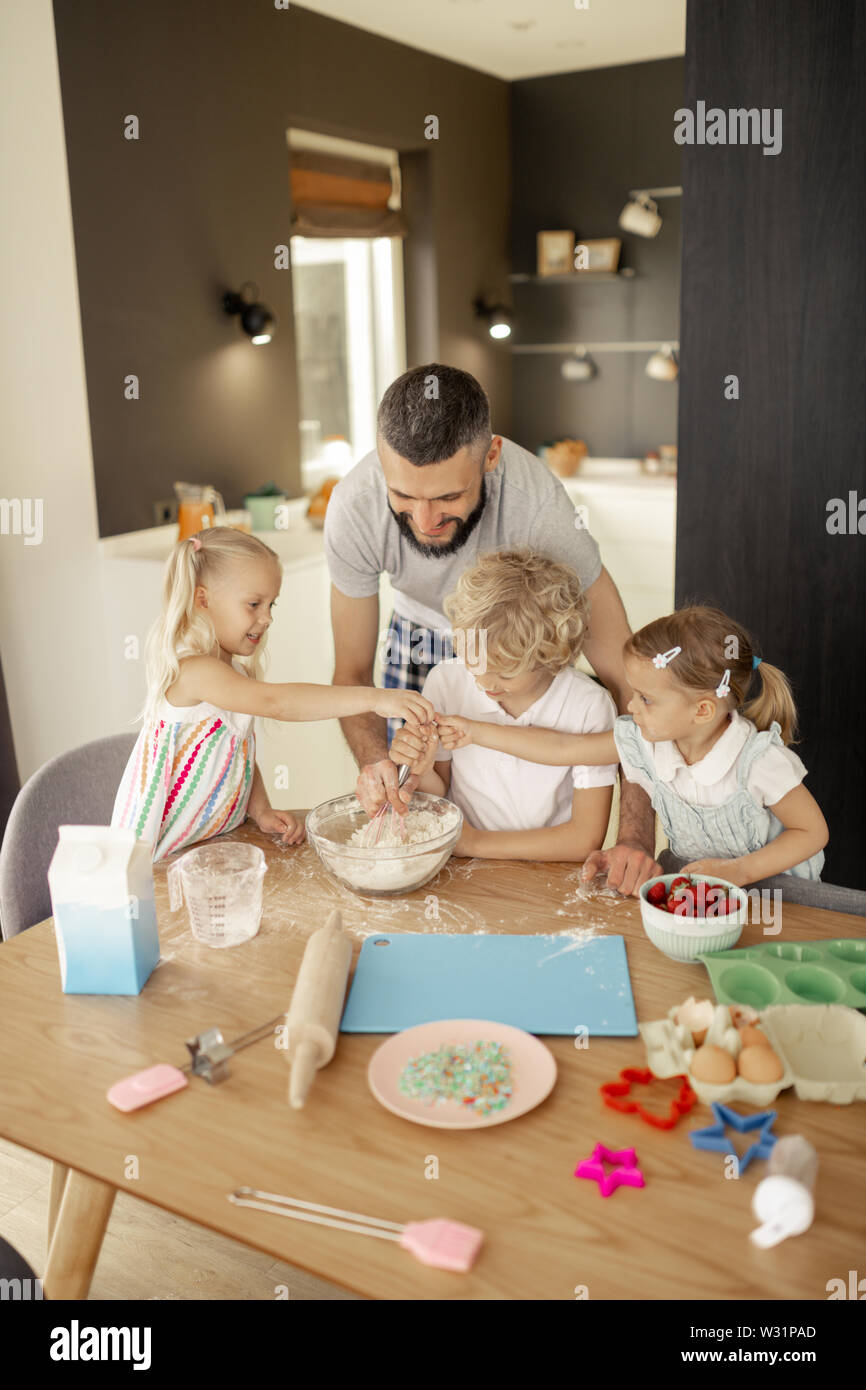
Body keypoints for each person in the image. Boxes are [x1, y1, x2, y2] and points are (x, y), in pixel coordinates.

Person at [324, 362, 659, 893]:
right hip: (415, 631)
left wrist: (636, 838)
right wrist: (375, 761)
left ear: (492, 457)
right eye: (404, 498)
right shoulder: (354, 507)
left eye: (448, 497)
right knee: (416, 799)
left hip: (521, 636)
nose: (425, 521)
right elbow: (351, 671)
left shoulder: (541, 511)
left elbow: (628, 686)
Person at [435, 606, 828, 886]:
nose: (629, 705)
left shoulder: (759, 761)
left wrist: (740, 872)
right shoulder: (647, 741)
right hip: (698, 886)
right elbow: (560, 748)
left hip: (781, 897)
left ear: (703, 709)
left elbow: (812, 832)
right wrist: (474, 731)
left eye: (646, 698)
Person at [111, 527, 433, 860]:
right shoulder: (194, 672)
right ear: (203, 600)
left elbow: (235, 756)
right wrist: (374, 699)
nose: (266, 618)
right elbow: (277, 703)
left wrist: (260, 809)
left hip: (200, 851)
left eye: (270, 605)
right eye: (253, 604)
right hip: (150, 863)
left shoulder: (233, 675)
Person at [389, 549, 618, 860]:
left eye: (506, 672)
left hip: (550, 873)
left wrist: (473, 843)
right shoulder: (447, 682)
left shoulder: (589, 706)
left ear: (552, 655)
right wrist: (422, 768)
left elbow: (583, 840)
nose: (485, 682)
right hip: (464, 871)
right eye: (474, 662)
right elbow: (436, 791)